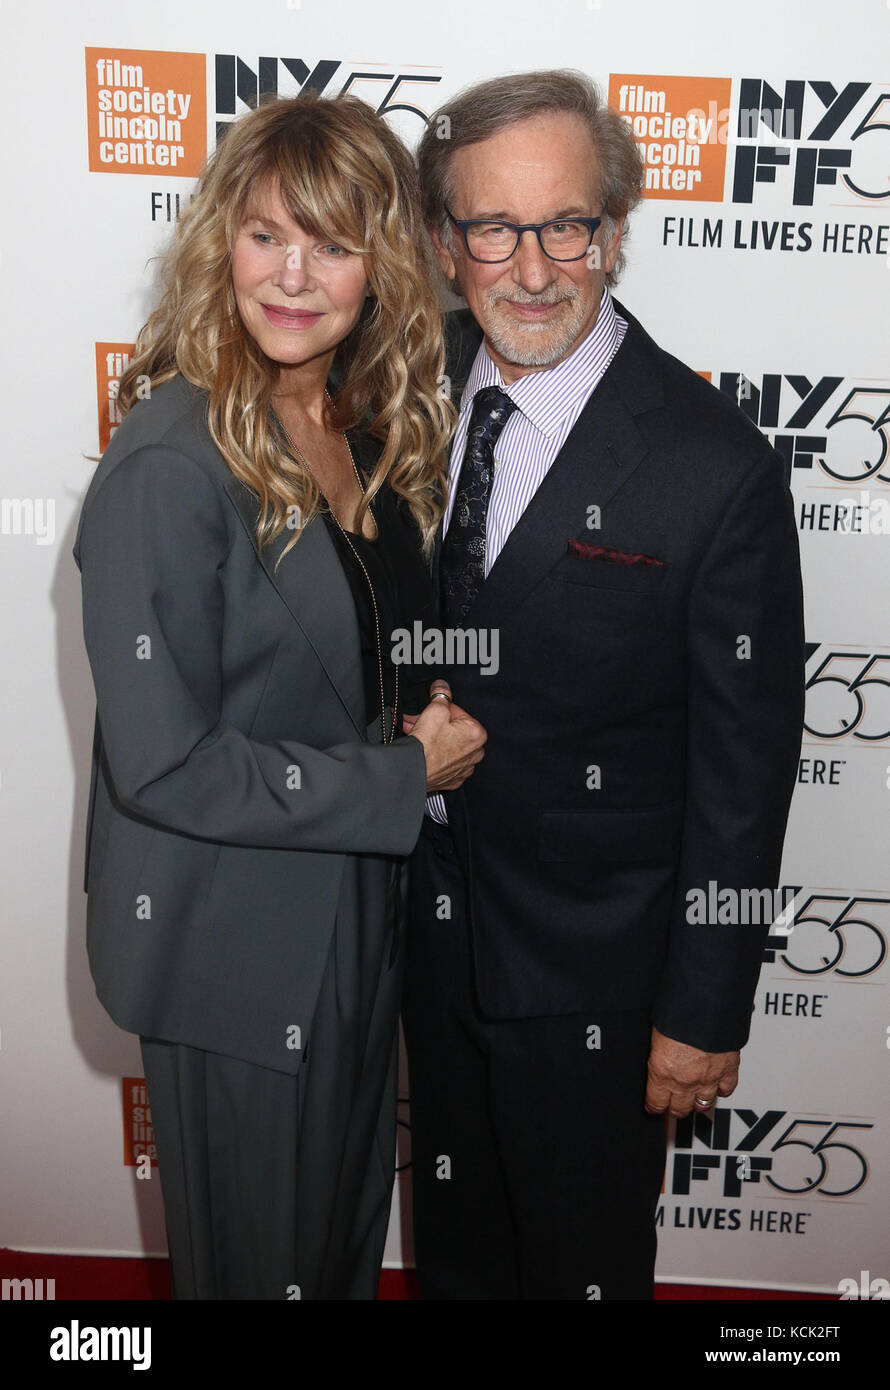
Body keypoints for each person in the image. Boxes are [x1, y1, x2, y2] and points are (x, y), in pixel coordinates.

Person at [72, 91, 485, 1301]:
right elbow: (164, 762)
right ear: (221, 243)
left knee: (338, 1254)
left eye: (335, 243)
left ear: (381, 270)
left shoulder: (351, 418)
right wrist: (404, 775)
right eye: (267, 235)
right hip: (235, 943)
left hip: (354, 912)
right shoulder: (168, 457)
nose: (294, 277)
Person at [401, 70, 805, 1300]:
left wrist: (705, 1007)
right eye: (491, 228)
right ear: (443, 241)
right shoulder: (404, 406)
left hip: (601, 995)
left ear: (614, 232)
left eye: (565, 224)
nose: (530, 268)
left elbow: (746, 773)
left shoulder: (711, 466)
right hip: (424, 953)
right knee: (458, 1264)